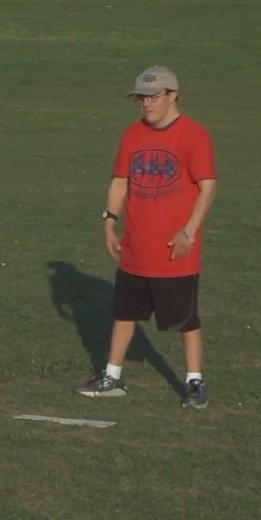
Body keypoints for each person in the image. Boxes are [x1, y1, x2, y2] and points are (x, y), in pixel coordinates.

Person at [74, 66, 218, 409]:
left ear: (172, 95)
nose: (146, 104)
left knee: (186, 321)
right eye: (141, 97)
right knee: (123, 314)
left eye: (153, 97)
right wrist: (109, 220)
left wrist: (189, 231)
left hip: (174, 251)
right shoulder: (131, 135)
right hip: (135, 248)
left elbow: (207, 187)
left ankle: (194, 383)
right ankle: (112, 376)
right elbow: (120, 181)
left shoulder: (193, 136)